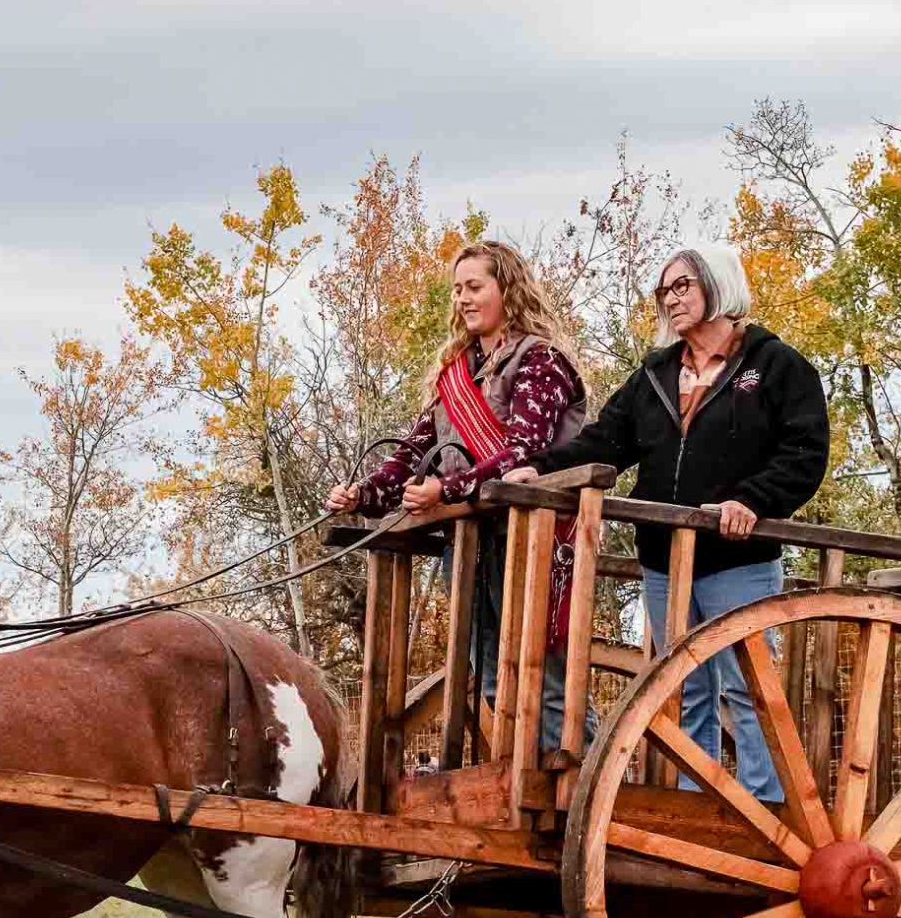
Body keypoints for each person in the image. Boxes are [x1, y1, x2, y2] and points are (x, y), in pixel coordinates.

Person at [510, 242, 828, 800]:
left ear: (718, 285)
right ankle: (691, 801)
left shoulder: (776, 367)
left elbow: (804, 452)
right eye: (664, 291)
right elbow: (601, 442)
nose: (670, 299)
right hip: (665, 562)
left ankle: (767, 805)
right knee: (684, 687)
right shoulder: (654, 375)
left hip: (738, 557)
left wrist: (752, 499)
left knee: (747, 684)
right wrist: (538, 467)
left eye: (682, 285)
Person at [328, 239, 589, 745]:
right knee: (492, 673)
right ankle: (530, 782)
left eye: (475, 286)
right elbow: (410, 455)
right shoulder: (456, 374)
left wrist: (445, 490)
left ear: (507, 289)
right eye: (457, 290)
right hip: (469, 542)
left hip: (533, 538)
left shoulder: (541, 363)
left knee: (546, 679)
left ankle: (585, 789)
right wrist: (362, 495)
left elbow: (522, 453)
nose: (463, 299)